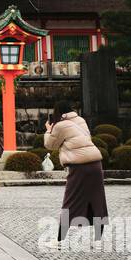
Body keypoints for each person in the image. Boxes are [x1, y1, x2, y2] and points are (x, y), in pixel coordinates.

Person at [44, 100, 108, 241]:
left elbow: (50, 145)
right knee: (98, 202)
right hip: (96, 164)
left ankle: (59, 241)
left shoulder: (60, 125)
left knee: (70, 201)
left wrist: (49, 129)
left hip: (79, 166)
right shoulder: (81, 120)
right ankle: (98, 241)